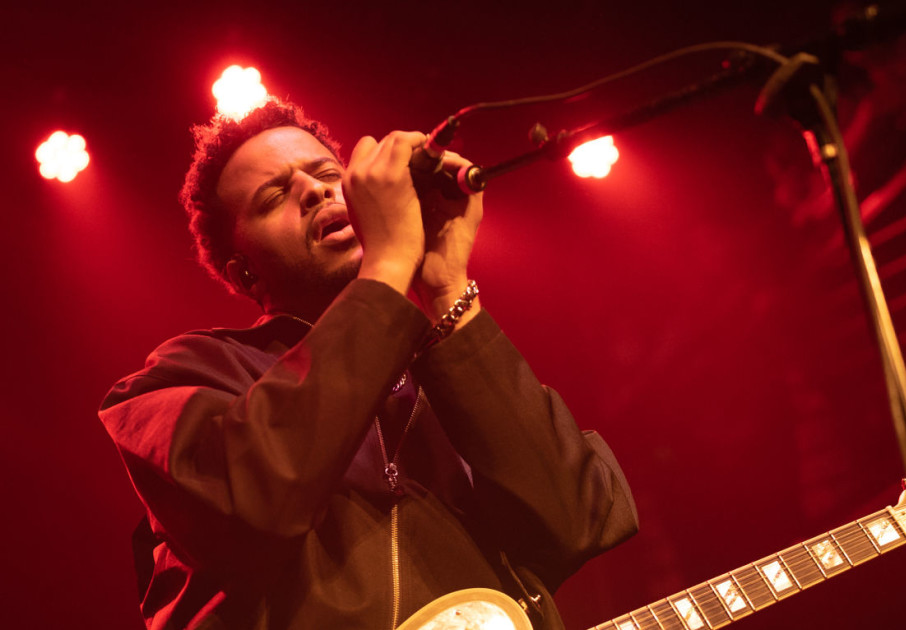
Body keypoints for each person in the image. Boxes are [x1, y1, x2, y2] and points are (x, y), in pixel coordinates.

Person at [98, 99, 638, 629]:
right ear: (244, 273)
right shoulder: (179, 378)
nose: (315, 191)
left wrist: (446, 288)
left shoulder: (446, 361)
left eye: (327, 174)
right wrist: (389, 263)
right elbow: (253, 499)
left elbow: (577, 523)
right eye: (275, 196)